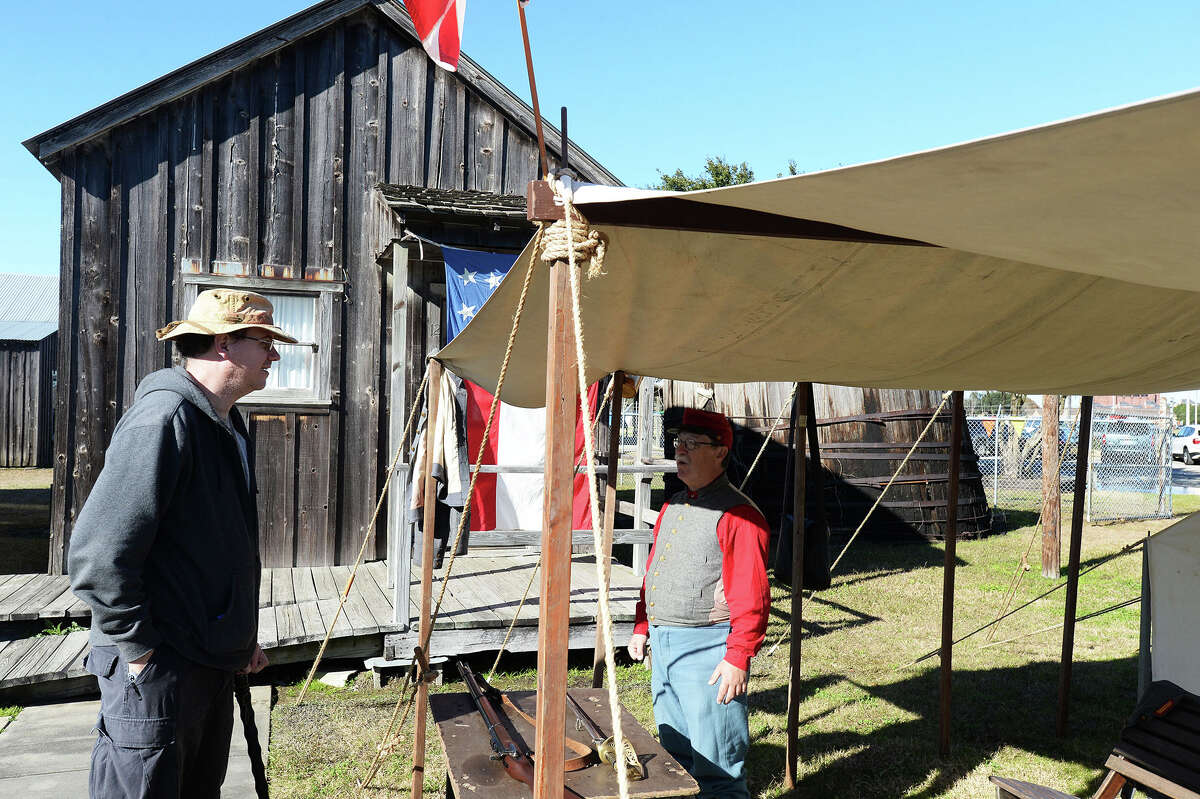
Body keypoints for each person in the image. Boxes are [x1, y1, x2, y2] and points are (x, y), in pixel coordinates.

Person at [68, 288, 297, 798]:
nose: (275, 356)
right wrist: (139, 648)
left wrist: (238, 637)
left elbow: (216, 549)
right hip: (157, 665)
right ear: (223, 345)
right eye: (265, 342)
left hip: (207, 658)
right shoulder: (164, 420)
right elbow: (97, 555)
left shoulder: (225, 423)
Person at [627, 408, 771, 799]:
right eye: (679, 442)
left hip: (708, 653)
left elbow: (752, 597)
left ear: (721, 452)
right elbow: (656, 570)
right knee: (675, 757)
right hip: (664, 646)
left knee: (717, 763)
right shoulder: (674, 505)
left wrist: (738, 656)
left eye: (693, 444)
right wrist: (643, 625)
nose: (681, 450)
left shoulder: (739, 513)